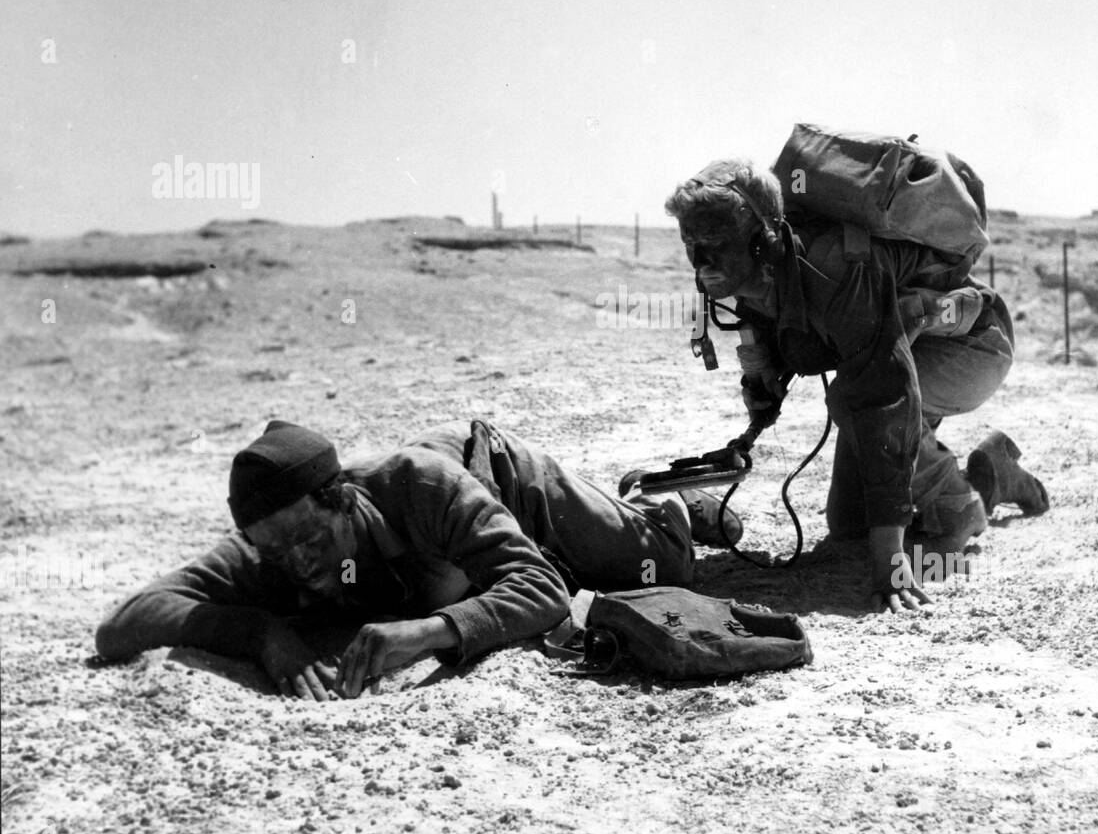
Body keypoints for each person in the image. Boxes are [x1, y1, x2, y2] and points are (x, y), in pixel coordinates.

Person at [94, 418, 741, 700]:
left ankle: (667, 506)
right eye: (278, 553)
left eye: (313, 541)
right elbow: (126, 621)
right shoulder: (270, 543)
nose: (300, 565)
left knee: (665, 567)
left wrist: (428, 632)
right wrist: (260, 631)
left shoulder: (420, 484)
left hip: (508, 481)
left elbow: (538, 586)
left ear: (343, 497)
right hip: (461, 557)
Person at [664, 159, 1049, 613]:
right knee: (850, 526)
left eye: (714, 244)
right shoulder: (758, 278)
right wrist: (748, 430)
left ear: (763, 241)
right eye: (692, 245)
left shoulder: (836, 269)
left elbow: (885, 396)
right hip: (904, 355)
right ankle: (991, 475)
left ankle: (961, 508)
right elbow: (770, 366)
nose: (702, 261)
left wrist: (889, 566)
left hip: (973, 346)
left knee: (850, 401)